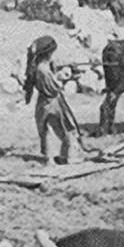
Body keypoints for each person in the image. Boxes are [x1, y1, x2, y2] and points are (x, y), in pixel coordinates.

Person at [23, 35, 84, 165]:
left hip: (42, 103)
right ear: (48, 53)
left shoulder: (38, 66)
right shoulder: (44, 71)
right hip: (52, 102)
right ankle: (69, 157)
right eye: (52, 53)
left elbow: (51, 66)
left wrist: (65, 65)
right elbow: (55, 87)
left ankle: (50, 158)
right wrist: (68, 77)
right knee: (64, 128)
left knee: (46, 130)